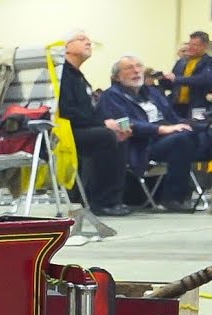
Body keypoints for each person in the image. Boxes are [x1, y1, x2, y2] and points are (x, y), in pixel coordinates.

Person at [100, 54, 197, 211]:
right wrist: (161, 129)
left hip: (168, 135)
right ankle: (173, 198)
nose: (136, 71)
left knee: (203, 135)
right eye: (130, 68)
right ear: (117, 77)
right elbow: (124, 123)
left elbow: (173, 118)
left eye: (139, 66)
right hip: (142, 143)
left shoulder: (153, 92)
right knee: (182, 140)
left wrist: (195, 125)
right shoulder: (111, 95)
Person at [58, 29, 132, 217]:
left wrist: (108, 123)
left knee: (117, 136)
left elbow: (87, 112)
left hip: (80, 128)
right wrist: (102, 123)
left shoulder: (77, 75)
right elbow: (67, 111)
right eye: (81, 39)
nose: (88, 42)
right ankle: (101, 201)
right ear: (66, 47)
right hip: (64, 132)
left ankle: (111, 199)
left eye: (88, 39)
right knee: (105, 136)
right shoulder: (62, 74)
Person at [163, 31, 212, 120]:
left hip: (197, 107)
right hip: (177, 106)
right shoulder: (181, 62)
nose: (190, 47)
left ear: (205, 46)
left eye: (195, 45)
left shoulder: (209, 62)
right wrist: (163, 79)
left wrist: (176, 79)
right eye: (190, 44)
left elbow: (203, 80)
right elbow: (171, 85)